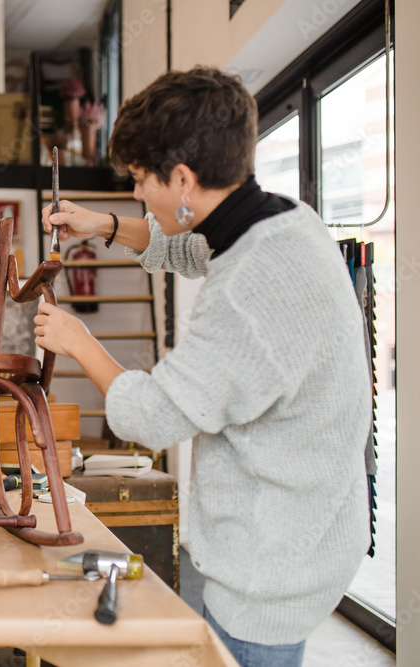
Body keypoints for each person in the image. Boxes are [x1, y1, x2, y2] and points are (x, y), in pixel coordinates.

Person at [35, 67, 370, 667]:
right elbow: (190, 245)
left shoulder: (247, 294)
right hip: (308, 530)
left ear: (183, 178)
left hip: (269, 566)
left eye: (140, 181)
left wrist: (77, 339)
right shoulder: (285, 221)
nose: (137, 195)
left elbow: (153, 417)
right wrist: (102, 225)